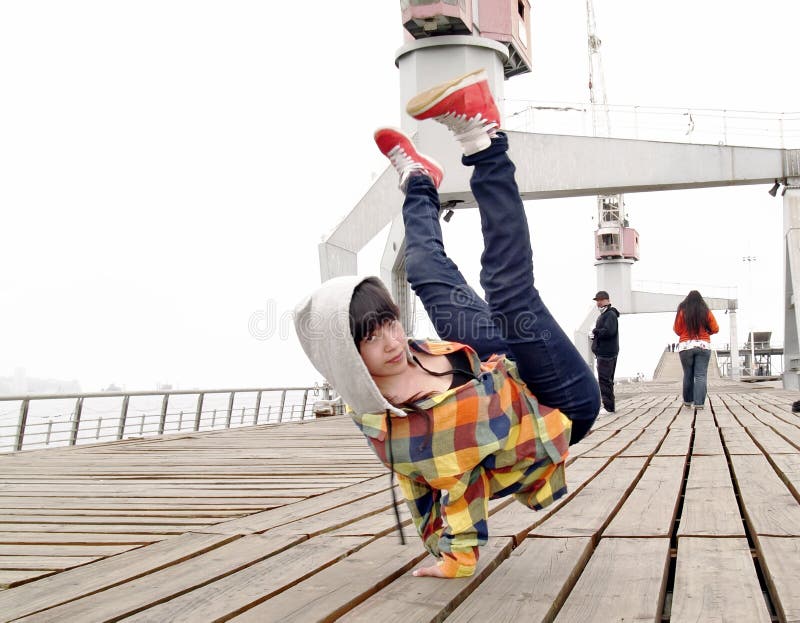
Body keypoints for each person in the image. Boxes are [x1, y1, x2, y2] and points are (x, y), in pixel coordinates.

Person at [294, 69, 600, 580]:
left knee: (426, 273)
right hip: (560, 405)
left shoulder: (408, 350)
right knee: (509, 292)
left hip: (501, 368)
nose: (392, 342)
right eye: (369, 337)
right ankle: (483, 138)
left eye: (389, 323)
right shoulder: (393, 427)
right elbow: (445, 482)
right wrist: (456, 556)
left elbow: (419, 320)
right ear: (347, 357)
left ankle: (418, 181)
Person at [673, 290, 719, 409]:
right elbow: (715, 328)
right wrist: (707, 331)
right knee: (700, 375)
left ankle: (688, 401)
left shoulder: (682, 310)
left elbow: (677, 330)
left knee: (688, 374)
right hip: (703, 345)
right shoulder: (705, 311)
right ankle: (699, 403)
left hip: (686, 346)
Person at [590, 290, 619, 413]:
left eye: (600, 300)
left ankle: (608, 408)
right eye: (597, 301)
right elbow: (606, 331)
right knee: (607, 380)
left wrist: (595, 331)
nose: (598, 303)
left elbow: (608, 332)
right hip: (606, 352)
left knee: (604, 380)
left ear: (607, 300)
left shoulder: (609, 315)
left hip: (606, 353)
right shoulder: (605, 315)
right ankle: (610, 406)